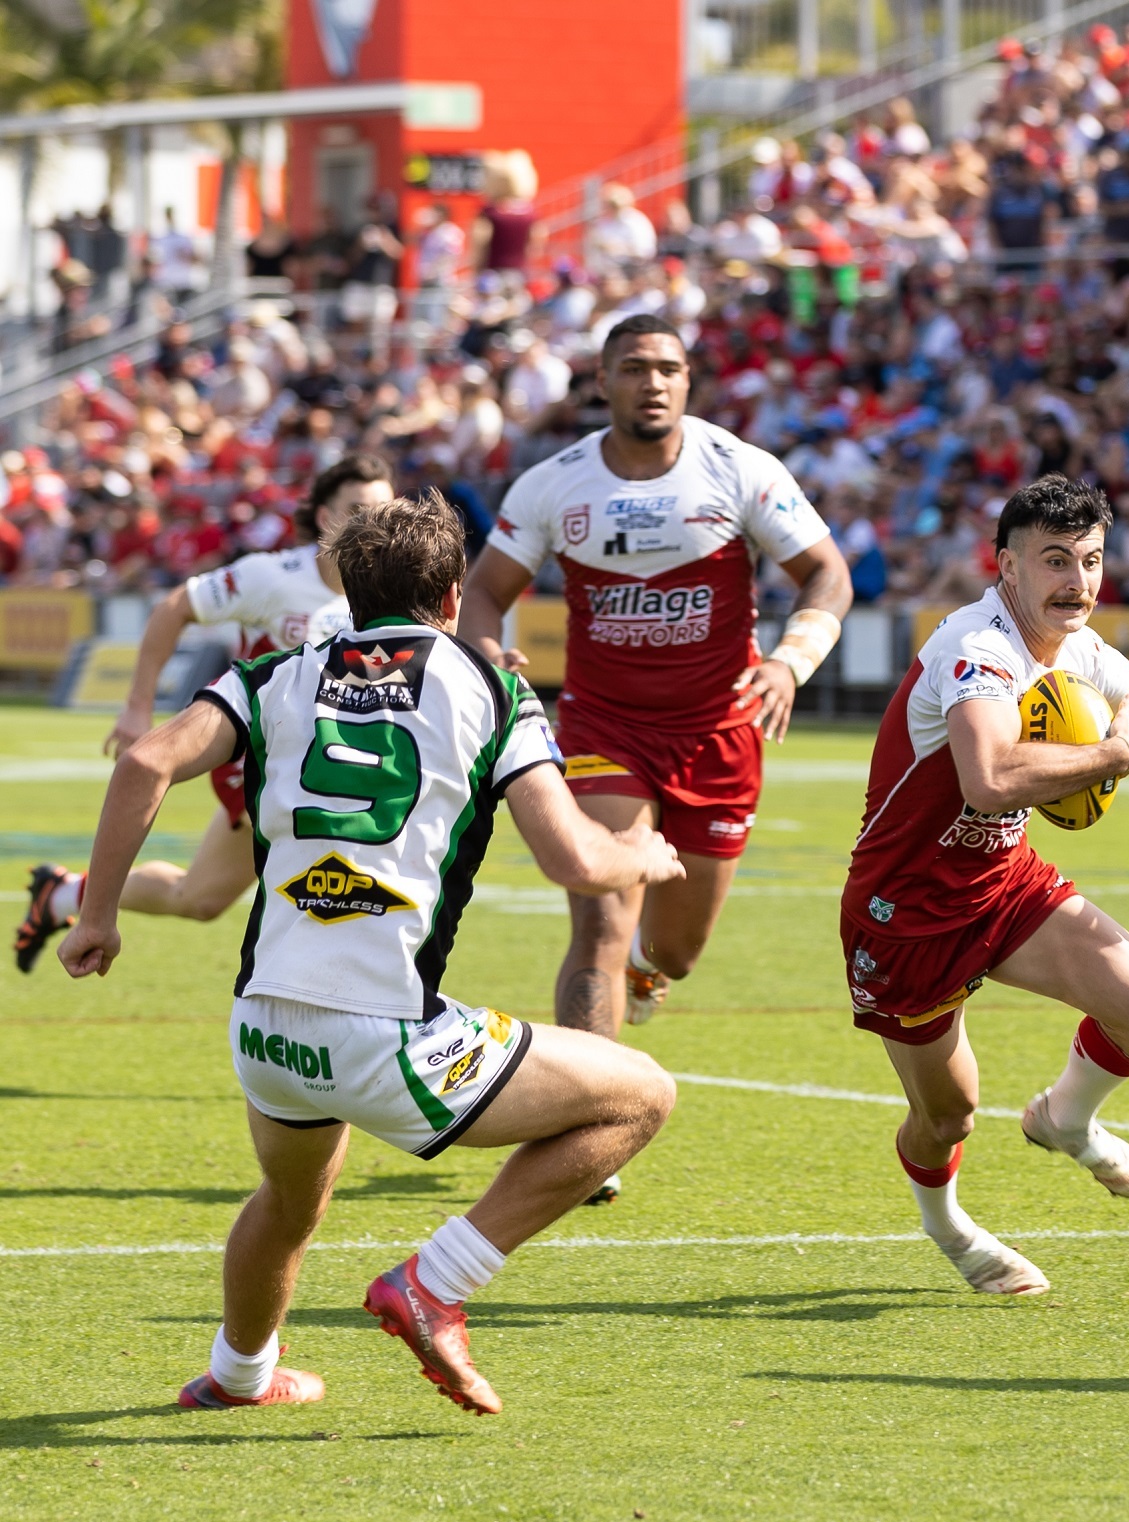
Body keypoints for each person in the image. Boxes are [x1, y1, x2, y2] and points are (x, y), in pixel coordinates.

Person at [55, 495, 683, 1414]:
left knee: (290, 1199)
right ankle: (436, 1282)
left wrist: (97, 916)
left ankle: (239, 1378)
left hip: (266, 1029)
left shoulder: (272, 672)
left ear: (347, 594)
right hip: (382, 1034)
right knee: (641, 1096)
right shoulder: (491, 686)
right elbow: (577, 860)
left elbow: (146, 761)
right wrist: (643, 853)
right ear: (454, 596)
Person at [842, 476, 1129, 1295]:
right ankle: (948, 1228)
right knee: (949, 1115)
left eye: (1090, 560)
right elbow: (987, 779)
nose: (1077, 581)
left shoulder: (1070, 644)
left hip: (1004, 882)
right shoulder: (976, 647)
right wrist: (1114, 756)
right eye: (1055, 561)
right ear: (1007, 568)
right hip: (907, 910)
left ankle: (1066, 1117)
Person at [459, 316, 852, 1201]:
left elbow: (828, 572)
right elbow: (484, 593)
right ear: (602, 381)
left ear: (689, 381)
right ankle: (583, 1114)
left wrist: (791, 660)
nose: (654, 382)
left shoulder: (740, 468)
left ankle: (647, 974)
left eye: (669, 368)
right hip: (603, 730)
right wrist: (490, 655)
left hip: (720, 733)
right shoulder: (555, 484)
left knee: (675, 950)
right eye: (635, 368)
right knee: (600, 918)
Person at [16, 456, 394, 971]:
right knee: (341, 866)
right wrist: (137, 707)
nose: (372, 522)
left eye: (383, 510)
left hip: (326, 760)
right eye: (357, 509)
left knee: (198, 898)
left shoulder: (389, 592)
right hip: (264, 759)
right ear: (326, 515)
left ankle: (61, 897)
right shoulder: (271, 576)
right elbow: (175, 606)